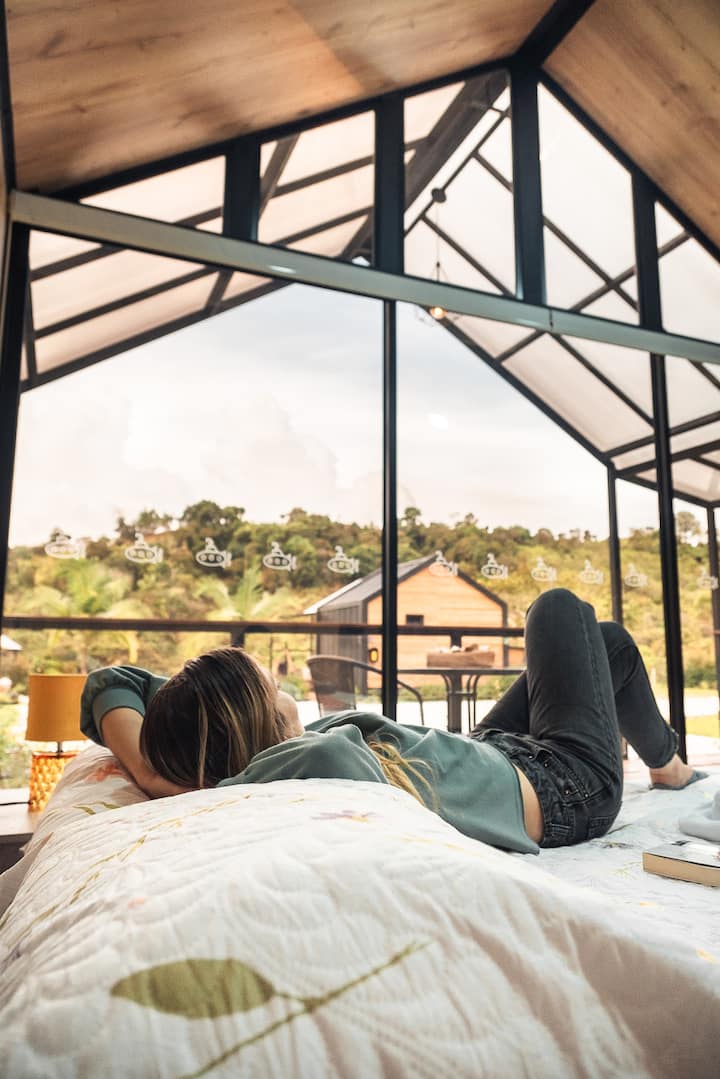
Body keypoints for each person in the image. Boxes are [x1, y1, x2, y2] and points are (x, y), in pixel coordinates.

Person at [80, 588, 706, 855]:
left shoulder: (277, 748)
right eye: (270, 684)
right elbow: (337, 761)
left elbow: (114, 680)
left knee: (608, 643)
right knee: (557, 609)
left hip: (496, 752)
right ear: (252, 717)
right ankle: (668, 764)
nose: (284, 682)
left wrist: (146, 768)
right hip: (567, 788)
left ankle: (668, 765)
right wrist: (194, 787)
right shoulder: (303, 763)